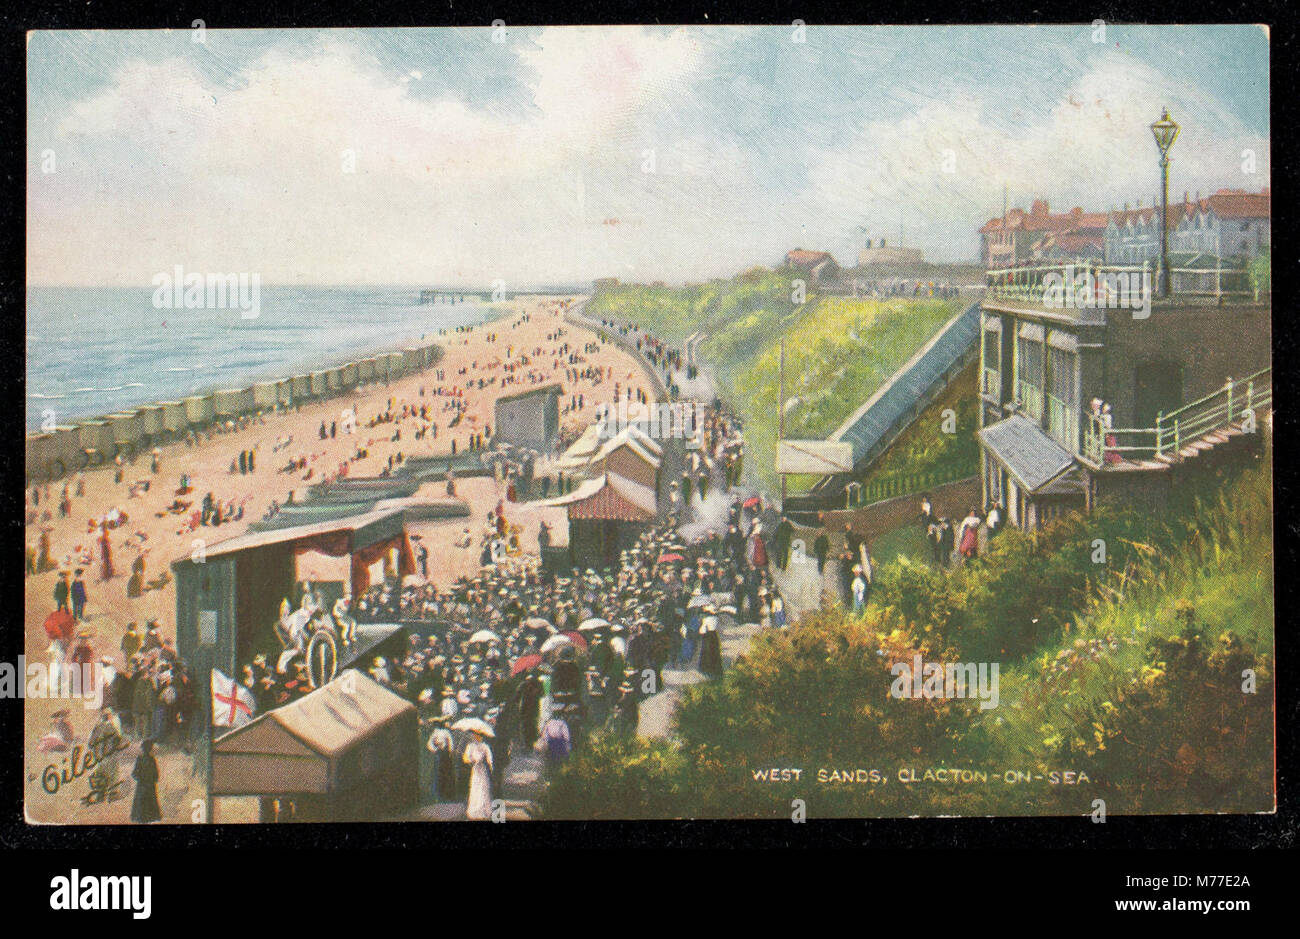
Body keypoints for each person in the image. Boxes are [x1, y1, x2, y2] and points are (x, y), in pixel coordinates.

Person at [464, 729, 494, 819]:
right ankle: (475, 810)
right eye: (475, 735)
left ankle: (484, 810)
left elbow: (490, 758)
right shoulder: (470, 746)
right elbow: (466, 758)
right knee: (475, 787)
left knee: (483, 787)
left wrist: (488, 764)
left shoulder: (485, 746)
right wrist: (472, 761)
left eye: (479, 735)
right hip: (475, 769)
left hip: (482, 769)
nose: (477, 737)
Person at [130, 740, 162, 823]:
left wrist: (149, 779)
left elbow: (156, 774)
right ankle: (143, 818)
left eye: (148, 749)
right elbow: (134, 773)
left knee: (147, 803)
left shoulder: (151, 760)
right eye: (146, 749)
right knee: (143, 803)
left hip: (147, 786)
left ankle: (146, 818)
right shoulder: (141, 759)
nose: (147, 750)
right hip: (145, 786)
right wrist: (142, 779)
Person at [426, 718, 456, 803]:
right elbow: (430, 743)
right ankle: (440, 794)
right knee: (439, 772)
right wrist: (436, 749)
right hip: (440, 753)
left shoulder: (445, 732)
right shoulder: (436, 733)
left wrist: (448, 750)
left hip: (444, 754)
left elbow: (451, 743)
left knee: (446, 772)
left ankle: (446, 794)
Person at [697, 606, 723, 676]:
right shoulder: (717, 618)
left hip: (708, 635)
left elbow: (702, 630)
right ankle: (715, 669)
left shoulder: (706, 618)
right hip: (714, 635)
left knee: (706, 651)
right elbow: (719, 629)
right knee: (715, 651)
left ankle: (706, 668)